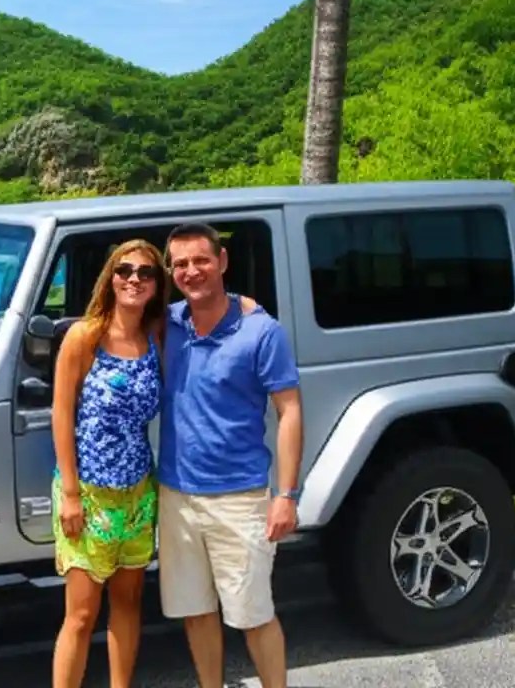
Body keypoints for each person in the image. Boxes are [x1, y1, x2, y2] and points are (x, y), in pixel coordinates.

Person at [156, 222, 304, 688]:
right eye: (180, 264)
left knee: (253, 615)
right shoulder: (167, 324)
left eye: (201, 260)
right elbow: (109, 320)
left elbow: (289, 411)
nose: (191, 271)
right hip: (176, 497)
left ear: (222, 261)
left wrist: (286, 495)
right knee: (195, 612)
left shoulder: (261, 331)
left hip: (240, 498)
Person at [49, 238, 171, 688]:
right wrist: (71, 494)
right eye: (124, 270)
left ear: (157, 284)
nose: (134, 279)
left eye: (145, 272)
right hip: (88, 493)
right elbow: (61, 414)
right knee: (81, 614)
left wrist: (247, 305)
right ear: (110, 277)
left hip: (137, 494)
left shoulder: (156, 337)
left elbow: (209, 305)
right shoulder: (86, 336)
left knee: (128, 604)